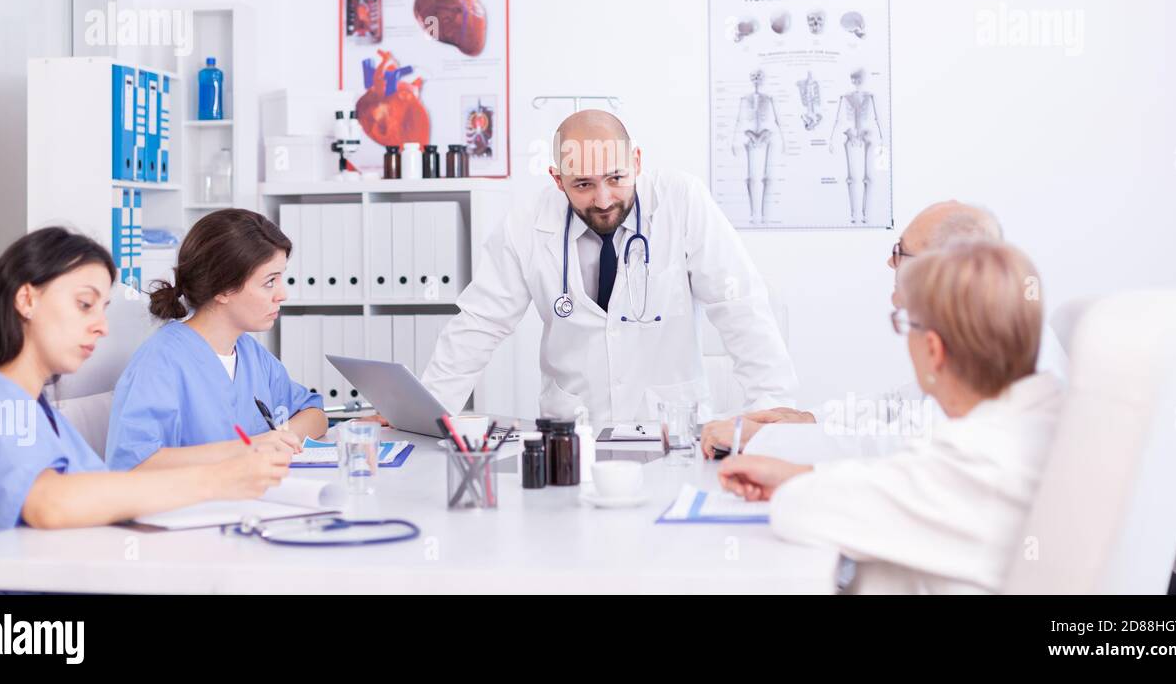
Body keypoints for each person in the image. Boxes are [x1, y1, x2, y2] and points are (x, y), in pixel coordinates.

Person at [718, 240, 1063, 594]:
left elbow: (797, 509)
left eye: (905, 325)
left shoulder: (974, 458)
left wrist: (796, 483)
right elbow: (905, 472)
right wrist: (800, 472)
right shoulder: (1035, 420)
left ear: (933, 349)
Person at [420, 110, 798, 424]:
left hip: (672, 431)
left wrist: (771, 408)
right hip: (571, 436)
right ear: (557, 179)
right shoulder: (526, 225)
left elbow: (740, 306)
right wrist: (426, 412)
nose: (603, 200)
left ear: (636, 161)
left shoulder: (681, 201)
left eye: (615, 178)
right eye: (583, 184)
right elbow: (479, 323)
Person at [0, 228, 289, 537]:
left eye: (102, 308)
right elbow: (49, 504)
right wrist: (216, 480)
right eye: (85, 304)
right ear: (27, 299)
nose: (102, 326)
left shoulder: (32, 405)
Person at [700, 199, 1068, 456]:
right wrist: (806, 420)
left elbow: (897, 447)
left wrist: (763, 440)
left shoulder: (1006, 351)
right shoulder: (984, 329)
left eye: (900, 252)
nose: (890, 263)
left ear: (942, 267)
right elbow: (894, 410)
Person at [105, 209, 328, 471]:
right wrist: (250, 448)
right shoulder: (161, 362)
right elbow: (133, 462)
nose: (283, 294)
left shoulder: (251, 354)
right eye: (269, 282)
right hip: (191, 509)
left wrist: (277, 438)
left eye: (281, 278)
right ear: (224, 289)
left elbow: (315, 415)